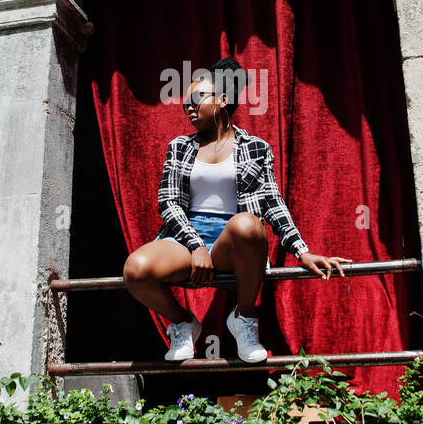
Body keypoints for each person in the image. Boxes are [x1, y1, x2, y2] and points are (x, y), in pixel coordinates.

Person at [122, 56, 353, 362]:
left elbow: (272, 201)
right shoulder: (179, 146)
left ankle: (243, 318)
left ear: (223, 99)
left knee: (246, 224)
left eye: (196, 99)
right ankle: (182, 323)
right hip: (185, 237)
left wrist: (302, 251)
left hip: (232, 241)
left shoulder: (256, 148)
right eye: (184, 103)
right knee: (135, 270)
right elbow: (168, 202)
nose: (188, 107)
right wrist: (194, 246)